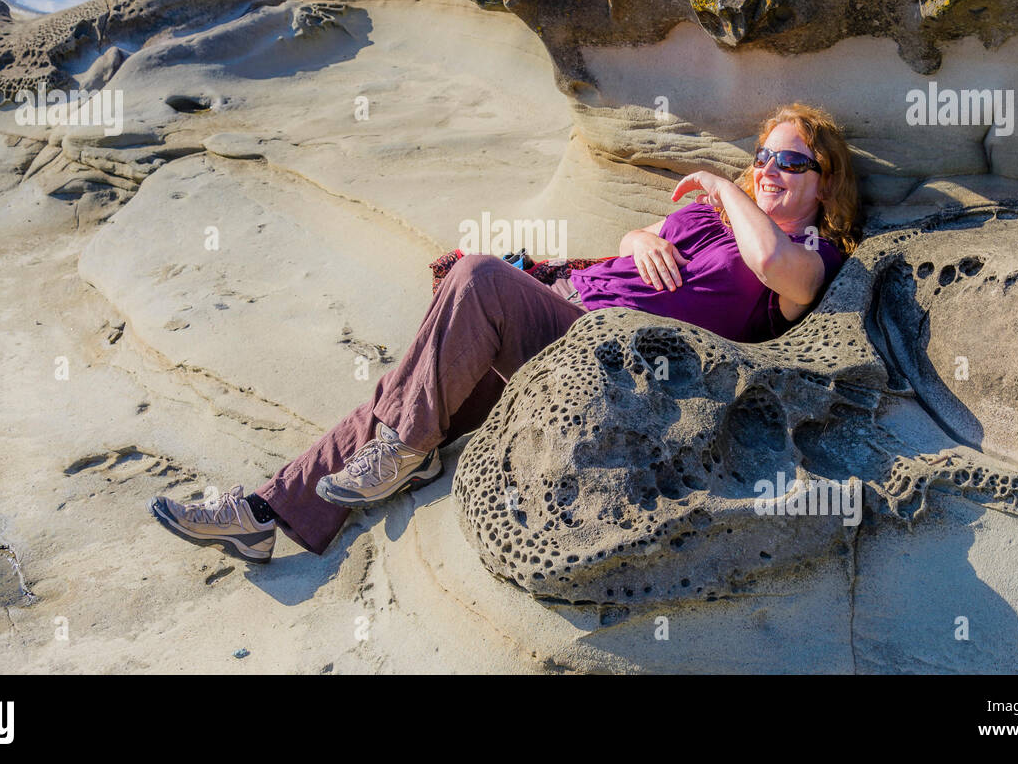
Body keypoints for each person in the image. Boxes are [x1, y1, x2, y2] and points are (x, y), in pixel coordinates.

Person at [148, 103, 862, 563]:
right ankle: (261, 512)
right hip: (557, 308)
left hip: (603, 350)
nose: (769, 170)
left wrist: (722, 180)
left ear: (825, 184)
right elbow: (642, 242)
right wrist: (639, 233)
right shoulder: (709, 221)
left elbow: (770, 260)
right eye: (763, 156)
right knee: (404, 396)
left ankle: (406, 449)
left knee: (479, 279)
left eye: (791, 161)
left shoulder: (811, 255)